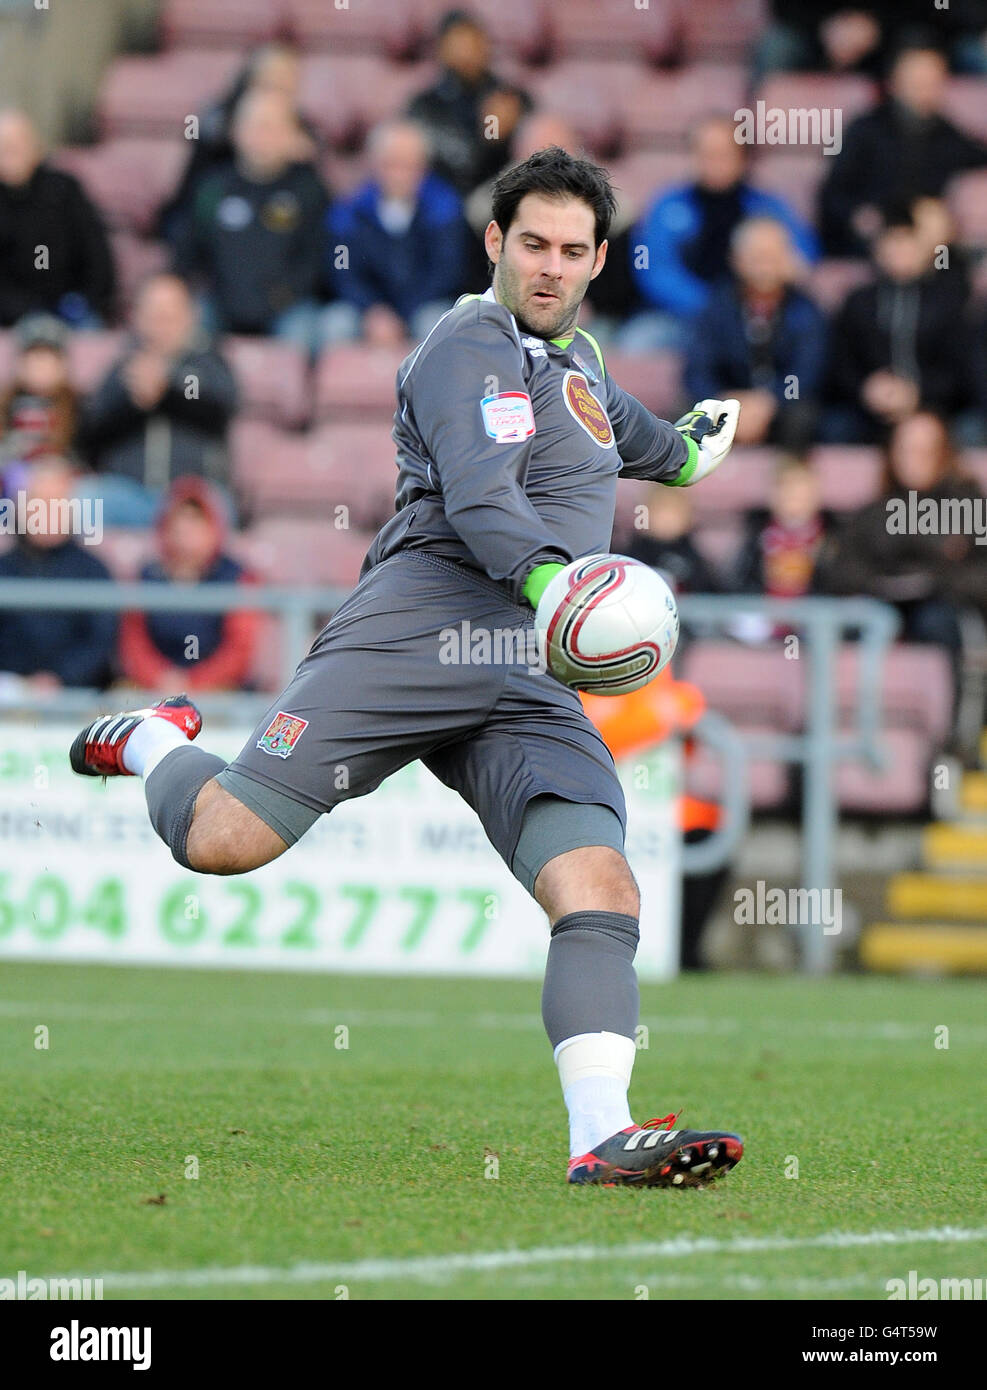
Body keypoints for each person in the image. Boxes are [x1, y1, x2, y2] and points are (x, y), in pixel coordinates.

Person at [70, 147, 744, 1189]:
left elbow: (640, 438)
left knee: (600, 883)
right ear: (495, 244)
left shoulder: (587, 367)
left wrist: (694, 449)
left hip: (526, 669)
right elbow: (481, 496)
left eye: (573, 250)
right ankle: (155, 738)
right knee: (223, 841)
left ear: (601, 257)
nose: (551, 267)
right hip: (418, 628)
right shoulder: (463, 346)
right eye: (533, 246)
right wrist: (552, 585)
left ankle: (600, 1136)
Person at [627, 114, 819, 349]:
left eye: (724, 153)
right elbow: (653, 270)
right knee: (638, 342)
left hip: (758, 317)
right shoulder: (667, 207)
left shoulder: (768, 207)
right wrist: (712, 308)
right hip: (680, 318)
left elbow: (801, 257)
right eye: (705, 153)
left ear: (743, 158)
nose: (714, 162)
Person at [170, 89, 330, 354]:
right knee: (185, 323)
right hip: (220, 304)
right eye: (255, 126)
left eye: (272, 128)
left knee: (303, 330)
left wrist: (279, 298)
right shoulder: (212, 189)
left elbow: (318, 261)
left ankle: (289, 393)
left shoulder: (310, 191)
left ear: (291, 135)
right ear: (236, 131)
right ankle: (199, 393)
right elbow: (187, 253)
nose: (262, 137)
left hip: (288, 309)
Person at [815, 412, 987, 655]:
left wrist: (937, 580)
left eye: (926, 450)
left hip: (947, 612)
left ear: (945, 453)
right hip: (880, 611)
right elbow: (841, 571)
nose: (915, 459)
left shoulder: (969, 508)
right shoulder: (875, 513)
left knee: (935, 622)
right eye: (906, 450)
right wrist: (881, 582)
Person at [76, 274, 238, 527]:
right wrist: (133, 402)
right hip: (128, 493)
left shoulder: (207, 363)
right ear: (137, 318)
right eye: (154, 316)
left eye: (169, 316)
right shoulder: (121, 368)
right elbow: (92, 429)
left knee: (218, 508)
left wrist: (166, 392)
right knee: (81, 500)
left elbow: (219, 407)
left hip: (191, 496)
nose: (161, 325)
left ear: (190, 316)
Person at [822, 208, 976, 443]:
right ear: (877, 249)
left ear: (925, 250)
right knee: (834, 427)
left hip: (936, 409)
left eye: (908, 241)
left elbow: (961, 371)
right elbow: (840, 364)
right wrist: (866, 389)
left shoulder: (948, 302)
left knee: (968, 430)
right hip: (866, 411)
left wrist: (918, 393)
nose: (899, 250)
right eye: (892, 241)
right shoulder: (858, 302)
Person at [819, 42, 987, 255]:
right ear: (894, 83)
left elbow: (977, 155)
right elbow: (834, 194)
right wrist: (858, 215)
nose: (924, 91)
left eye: (932, 82)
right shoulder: (865, 129)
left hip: (925, 235)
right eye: (917, 82)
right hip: (874, 233)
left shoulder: (947, 134)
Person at [684, 217, 827, 451]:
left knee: (805, 415)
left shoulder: (805, 308)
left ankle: (791, 481)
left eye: (774, 257)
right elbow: (697, 369)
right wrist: (727, 404)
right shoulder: (716, 306)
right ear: (736, 260)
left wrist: (769, 402)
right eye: (758, 257)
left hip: (781, 410)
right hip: (726, 402)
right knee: (685, 415)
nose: (766, 267)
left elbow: (808, 372)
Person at [324, 119, 471, 346]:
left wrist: (403, 313)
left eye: (409, 165)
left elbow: (446, 271)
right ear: (373, 164)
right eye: (390, 164)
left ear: (424, 166)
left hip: (424, 305)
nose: (399, 175)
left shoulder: (444, 207)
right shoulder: (349, 209)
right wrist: (373, 311)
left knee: (438, 322)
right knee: (335, 323)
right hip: (367, 310)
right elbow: (342, 270)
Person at [157, 44, 317, 246]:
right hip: (212, 218)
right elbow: (192, 193)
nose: (279, 89)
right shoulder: (216, 124)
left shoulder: (302, 129)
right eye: (271, 81)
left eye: (287, 83)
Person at [119, 477, 261, 692]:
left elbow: (238, 650)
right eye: (179, 525)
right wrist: (159, 678)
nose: (186, 535)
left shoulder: (236, 578)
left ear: (213, 529)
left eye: (196, 524)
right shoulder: (147, 576)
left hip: (219, 691)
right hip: (153, 688)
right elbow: (133, 642)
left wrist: (195, 683)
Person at [0, 456, 116, 691]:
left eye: (55, 504)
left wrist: (61, 678)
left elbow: (100, 643)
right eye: (37, 503)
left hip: (77, 697)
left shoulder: (94, 571)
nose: (45, 514)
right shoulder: (4, 568)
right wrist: (23, 681)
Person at [0, 108, 116, 329]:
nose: (10, 154)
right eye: (4, 148)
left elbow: (97, 255)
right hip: (11, 318)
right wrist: (22, 310)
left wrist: (85, 299)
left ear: (35, 146)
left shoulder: (65, 190)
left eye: (17, 145)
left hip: (72, 309)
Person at [407, 9, 532, 195]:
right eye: (458, 43)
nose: (467, 52)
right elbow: (458, 166)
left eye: (474, 42)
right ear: (441, 50)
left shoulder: (509, 98)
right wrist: (492, 134)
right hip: (442, 201)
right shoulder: (426, 106)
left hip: (500, 196)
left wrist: (495, 134)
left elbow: (529, 156)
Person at [0, 313, 79, 476]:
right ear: (19, 363)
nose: (41, 366)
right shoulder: (5, 405)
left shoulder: (78, 407)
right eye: (34, 356)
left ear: (63, 365)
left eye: (49, 357)